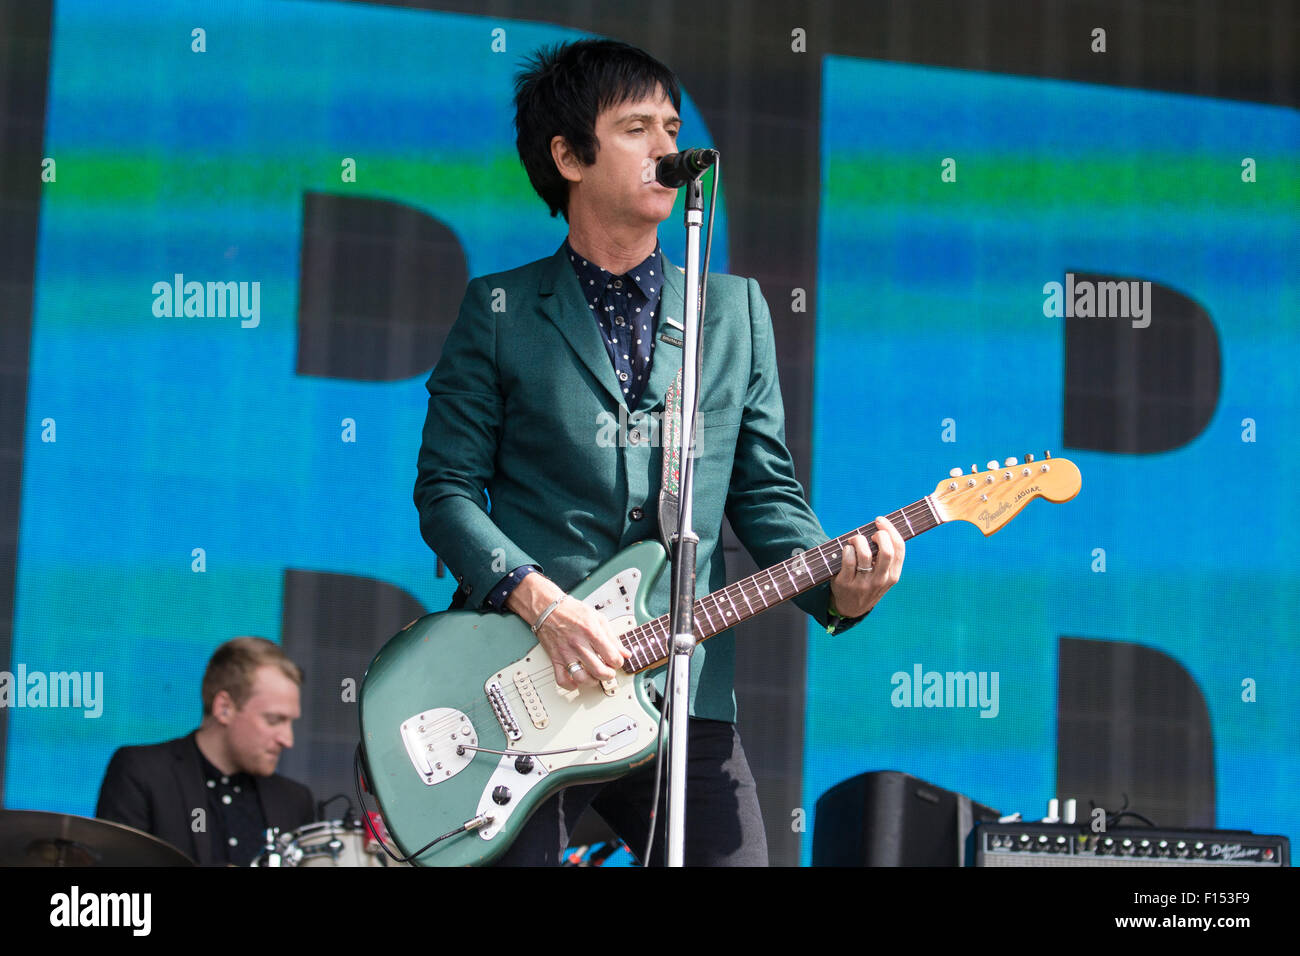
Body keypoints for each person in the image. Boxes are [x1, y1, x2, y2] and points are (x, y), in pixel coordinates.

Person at [413, 38, 905, 866]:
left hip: (684, 694)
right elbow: (447, 491)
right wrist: (542, 603)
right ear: (568, 155)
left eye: (671, 127)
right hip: (530, 682)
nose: (666, 149)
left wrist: (841, 593)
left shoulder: (734, 311)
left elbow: (766, 495)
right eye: (636, 127)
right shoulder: (497, 309)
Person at [96, 636, 315, 865]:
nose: (287, 740)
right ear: (224, 708)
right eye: (273, 720)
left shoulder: (295, 801)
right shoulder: (142, 772)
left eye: (291, 722)